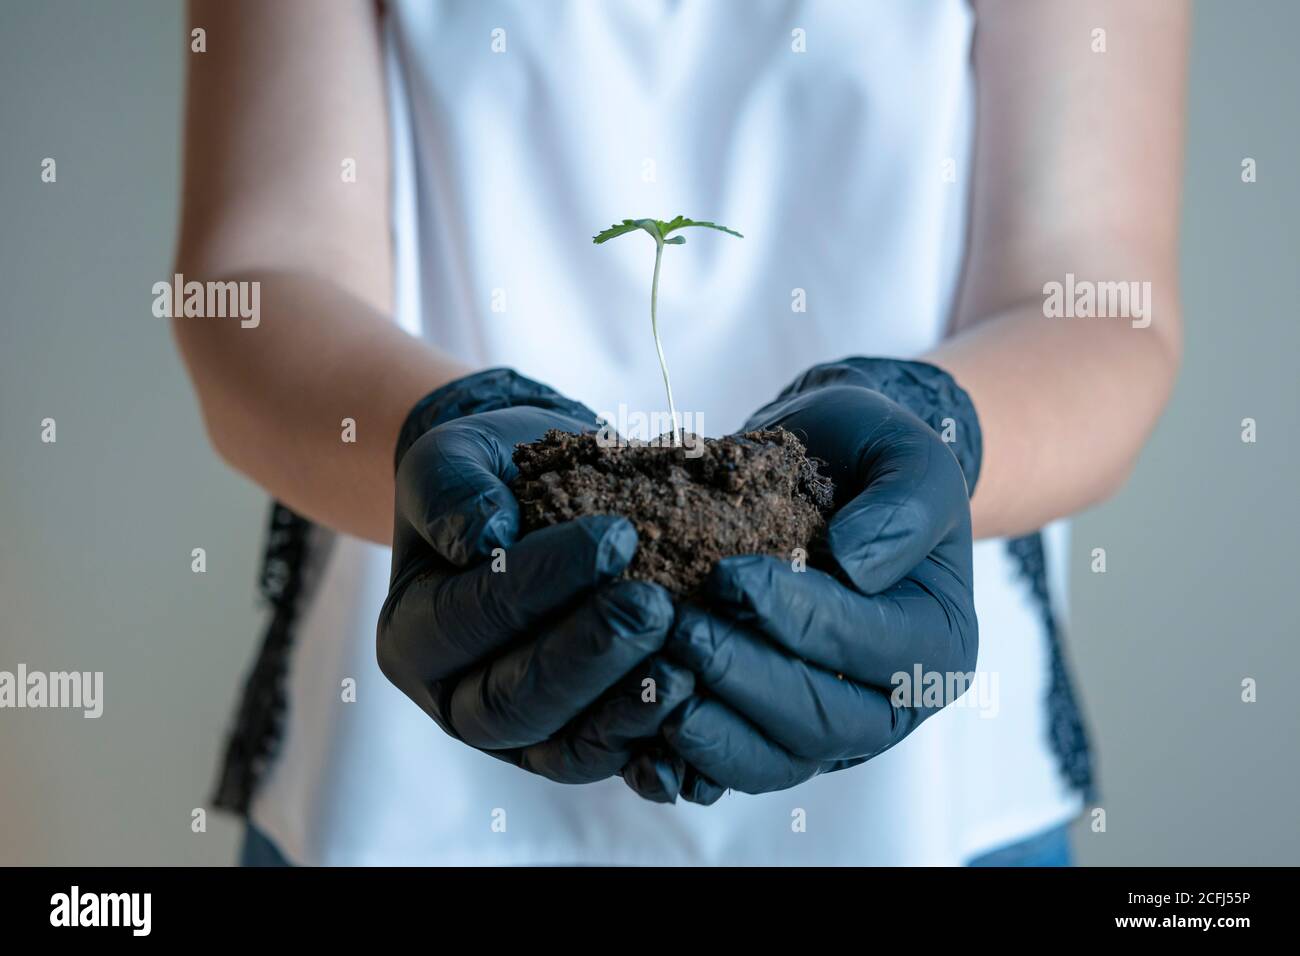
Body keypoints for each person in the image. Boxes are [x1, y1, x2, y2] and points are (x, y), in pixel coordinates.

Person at [172, 0, 1186, 866]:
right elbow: (260, 273)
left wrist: (935, 433)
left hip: (930, 798)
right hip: (408, 793)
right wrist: (441, 433)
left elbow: (1096, 298)